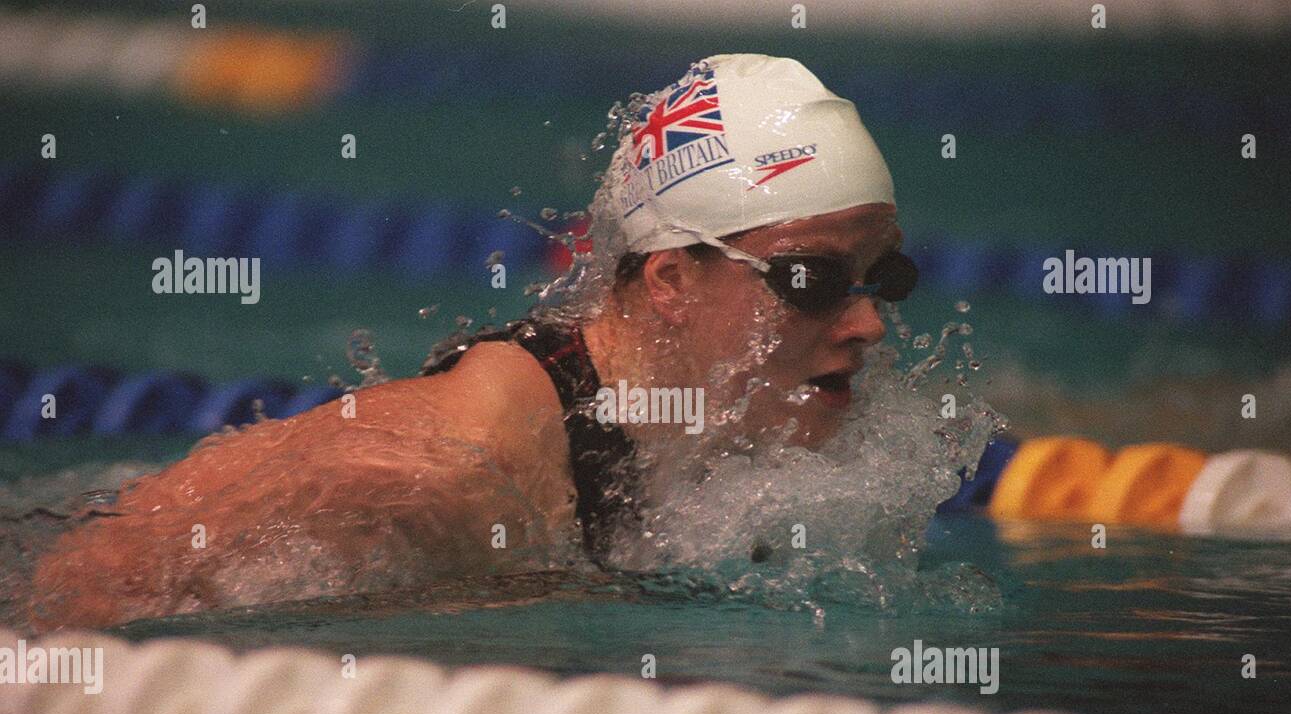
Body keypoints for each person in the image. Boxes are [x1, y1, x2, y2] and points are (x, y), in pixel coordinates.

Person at [27, 53, 915, 630]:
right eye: (813, 280)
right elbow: (96, 576)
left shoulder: (727, 432)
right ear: (672, 281)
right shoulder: (458, 464)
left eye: (883, 278)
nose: (867, 322)